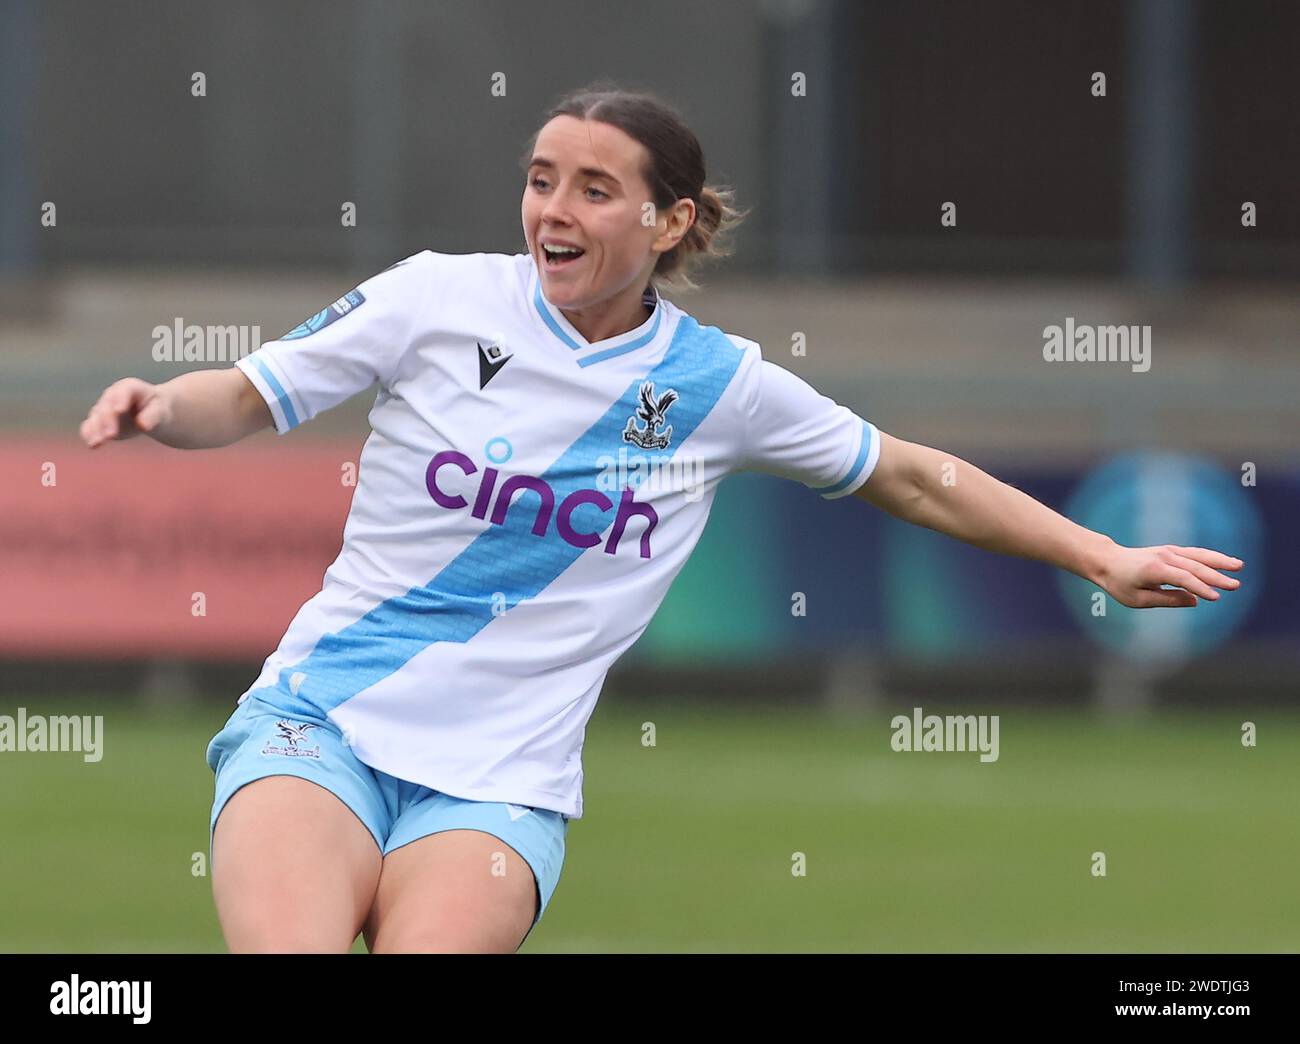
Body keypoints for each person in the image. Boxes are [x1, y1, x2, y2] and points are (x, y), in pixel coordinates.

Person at [78, 83, 1244, 953]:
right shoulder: (435, 297)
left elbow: (910, 476)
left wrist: (1101, 553)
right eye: (542, 179)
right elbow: (243, 394)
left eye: (594, 188)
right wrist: (157, 403)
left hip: (499, 783)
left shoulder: (720, 386)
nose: (555, 208)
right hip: (318, 724)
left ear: (669, 220)